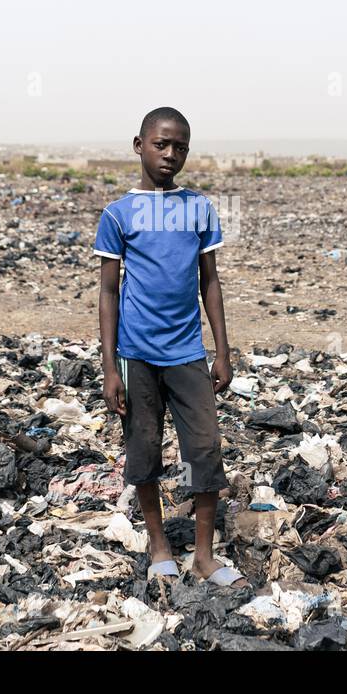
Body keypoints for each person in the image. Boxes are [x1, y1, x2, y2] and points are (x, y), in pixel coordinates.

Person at [93, 107, 247, 588]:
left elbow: (211, 282)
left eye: (180, 146)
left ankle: (204, 556)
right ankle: (159, 545)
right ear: (139, 145)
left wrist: (221, 351)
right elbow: (108, 292)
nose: (170, 154)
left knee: (205, 450)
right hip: (136, 354)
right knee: (143, 449)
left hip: (187, 353)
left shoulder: (199, 208)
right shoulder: (118, 214)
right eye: (161, 144)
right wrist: (109, 368)